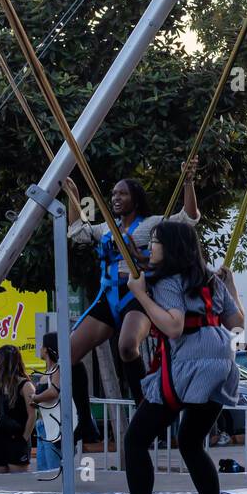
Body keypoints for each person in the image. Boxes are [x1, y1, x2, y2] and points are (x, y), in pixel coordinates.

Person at [108, 218, 245, 494]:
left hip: (189, 363)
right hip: (222, 359)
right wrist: (233, 287)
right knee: (190, 442)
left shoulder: (169, 280)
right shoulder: (210, 279)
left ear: (169, 248)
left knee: (136, 439)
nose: (151, 247)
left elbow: (173, 326)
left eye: (155, 242)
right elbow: (238, 323)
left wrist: (141, 293)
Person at [64, 161, 198, 428]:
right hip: (108, 297)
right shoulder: (105, 228)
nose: (115, 198)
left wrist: (188, 182)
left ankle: (143, 406)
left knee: (127, 347)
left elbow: (188, 218)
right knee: (67, 355)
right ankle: (84, 418)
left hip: (137, 295)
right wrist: (73, 196)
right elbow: (78, 232)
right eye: (113, 194)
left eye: (122, 193)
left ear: (135, 199)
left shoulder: (153, 224)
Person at [0, 345, 36, 474]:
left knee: (18, 483)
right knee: (1, 483)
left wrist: (24, 439)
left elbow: (32, 415)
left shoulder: (25, 385)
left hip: (17, 438)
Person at [30, 333, 65, 471]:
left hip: (53, 425)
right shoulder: (48, 371)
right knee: (42, 468)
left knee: (52, 468)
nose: (40, 349)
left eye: (42, 346)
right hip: (42, 424)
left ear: (46, 349)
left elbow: (54, 392)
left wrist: (35, 398)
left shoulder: (57, 368)